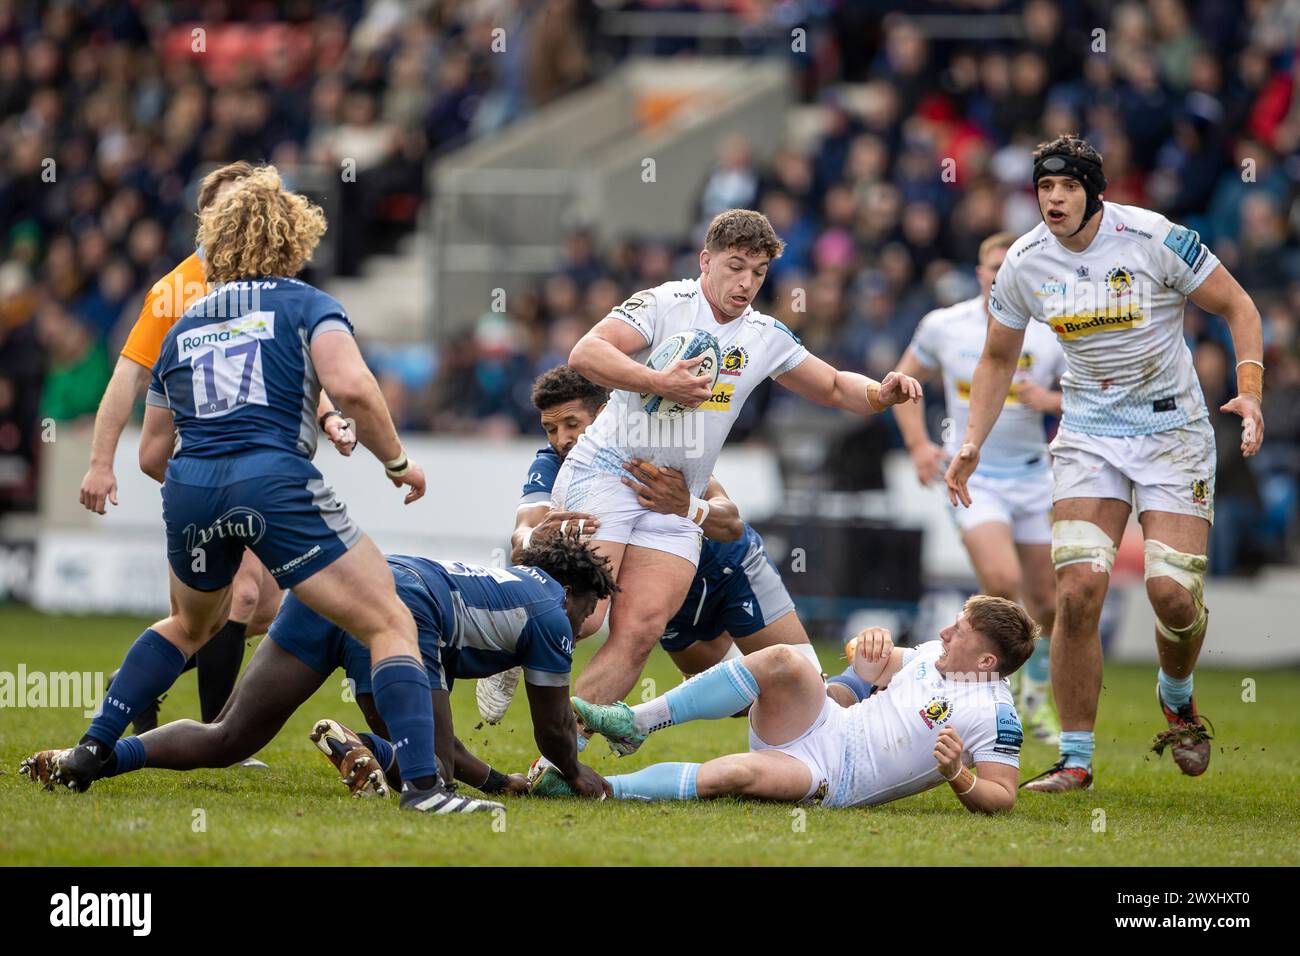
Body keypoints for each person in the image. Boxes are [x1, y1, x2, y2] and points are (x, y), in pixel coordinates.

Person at [27, 165, 460, 813]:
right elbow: (352, 387)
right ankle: (427, 789)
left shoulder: (186, 322)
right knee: (390, 618)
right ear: (294, 240)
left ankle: (93, 745)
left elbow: (154, 446)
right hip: (274, 481)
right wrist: (397, 463)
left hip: (192, 487)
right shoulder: (309, 304)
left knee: (187, 624)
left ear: (218, 241)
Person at [945, 134, 1265, 791]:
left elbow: (1238, 306)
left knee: (1172, 595)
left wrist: (1251, 392)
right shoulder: (1025, 261)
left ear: (1094, 192)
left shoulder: (1155, 238)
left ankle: (1175, 692)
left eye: (1065, 187)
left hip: (1172, 431)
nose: (1052, 199)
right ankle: (1075, 758)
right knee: (1078, 591)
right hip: (1089, 432)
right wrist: (971, 439)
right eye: (1042, 188)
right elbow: (997, 357)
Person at [557, 209, 920, 724]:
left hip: (676, 496)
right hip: (610, 470)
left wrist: (880, 393)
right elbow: (585, 352)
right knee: (588, 616)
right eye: (736, 266)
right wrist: (659, 382)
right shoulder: (666, 302)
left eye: (759, 272)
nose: (747, 282)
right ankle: (505, 639)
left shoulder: (764, 335)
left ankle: (555, 762)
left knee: (639, 632)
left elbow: (837, 386)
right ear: (706, 261)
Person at [22, 539, 616, 809]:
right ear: (573, 591)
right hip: (397, 608)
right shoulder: (551, 615)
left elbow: (450, 736)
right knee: (430, 778)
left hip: (337, 585)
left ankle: (100, 759)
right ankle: (362, 748)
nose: (588, 620)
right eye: (591, 607)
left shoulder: (505, 584)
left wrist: (499, 781)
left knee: (228, 737)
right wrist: (577, 774)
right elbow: (553, 731)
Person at [79, 161, 356, 736]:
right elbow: (127, 380)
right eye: (233, 204)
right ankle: (219, 733)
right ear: (207, 218)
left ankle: (136, 682)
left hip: (248, 464)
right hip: (212, 465)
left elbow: (295, 367)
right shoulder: (175, 292)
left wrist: (329, 417)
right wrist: (100, 463)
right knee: (246, 595)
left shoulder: (269, 289)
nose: (243, 215)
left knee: (255, 611)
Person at [475, 364, 822, 727]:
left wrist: (688, 505)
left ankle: (865, 689)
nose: (562, 438)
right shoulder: (554, 466)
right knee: (738, 700)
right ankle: (558, 747)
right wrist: (535, 537)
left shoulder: (651, 443)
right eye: (550, 429)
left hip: (729, 570)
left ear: (605, 414)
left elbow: (731, 523)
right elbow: (521, 539)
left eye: (572, 424)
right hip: (669, 596)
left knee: (809, 690)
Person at [536, 596, 1033, 815]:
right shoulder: (932, 655)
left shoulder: (995, 714)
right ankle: (635, 722)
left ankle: (592, 789)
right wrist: (871, 645)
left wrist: (958, 776)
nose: (944, 633)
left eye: (959, 632)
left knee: (731, 775)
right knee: (782, 660)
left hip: (827, 775)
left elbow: (1001, 796)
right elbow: (866, 666)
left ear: (987, 658)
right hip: (824, 722)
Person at [892, 231, 1065, 742]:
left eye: (1010, 266)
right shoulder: (945, 325)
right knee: (1000, 578)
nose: (1000, 274)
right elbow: (903, 385)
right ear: (980, 272)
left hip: (1034, 474)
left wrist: (1050, 402)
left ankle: (1035, 698)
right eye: (994, 266)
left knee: (1049, 602)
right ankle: (982, 695)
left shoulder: (1051, 329)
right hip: (976, 476)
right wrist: (920, 446)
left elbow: (1092, 393)